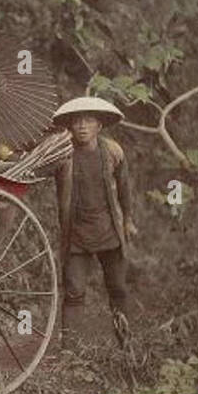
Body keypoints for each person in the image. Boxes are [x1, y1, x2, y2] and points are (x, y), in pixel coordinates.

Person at [52, 96, 137, 348]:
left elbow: (124, 189)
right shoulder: (62, 154)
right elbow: (37, 169)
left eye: (88, 121)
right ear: (70, 126)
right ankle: (70, 351)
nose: (82, 126)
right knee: (74, 291)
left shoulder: (112, 151)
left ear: (99, 125)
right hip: (76, 233)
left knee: (118, 287)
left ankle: (125, 342)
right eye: (77, 122)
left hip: (109, 230)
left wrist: (128, 220)